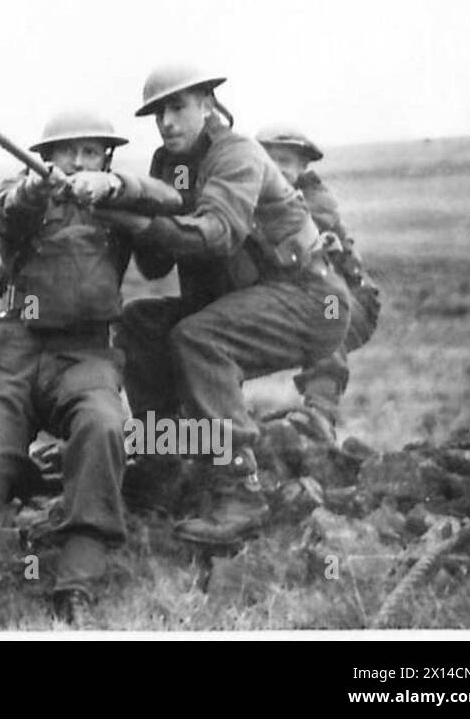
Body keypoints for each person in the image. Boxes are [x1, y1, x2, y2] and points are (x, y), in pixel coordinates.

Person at [0, 109, 183, 628]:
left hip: (86, 357)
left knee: (103, 429)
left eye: (91, 151)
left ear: (105, 158)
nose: (78, 160)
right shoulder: (24, 189)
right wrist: (37, 188)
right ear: (46, 156)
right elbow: (3, 213)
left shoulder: (118, 199)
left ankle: (76, 583)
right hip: (13, 352)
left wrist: (113, 185)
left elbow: (172, 200)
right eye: (67, 150)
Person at [105, 65, 351, 546]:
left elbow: (217, 236)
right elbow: (155, 267)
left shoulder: (236, 153)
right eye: (158, 113)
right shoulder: (169, 162)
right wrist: (126, 205)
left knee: (199, 338)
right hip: (244, 300)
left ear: (207, 104)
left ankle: (240, 489)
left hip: (309, 300)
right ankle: (163, 462)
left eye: (178, 107)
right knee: (140, 323)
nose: (167, 123)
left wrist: (141, 223)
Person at [257, 125, 381, 444]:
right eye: (268, 159)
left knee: (325, 311)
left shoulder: (315, 201)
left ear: (303, 166)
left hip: (351, 297)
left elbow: (295, 236)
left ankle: (321, 413)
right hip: (295, 293)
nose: (277, 168)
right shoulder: (257, 196)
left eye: (285, 160)